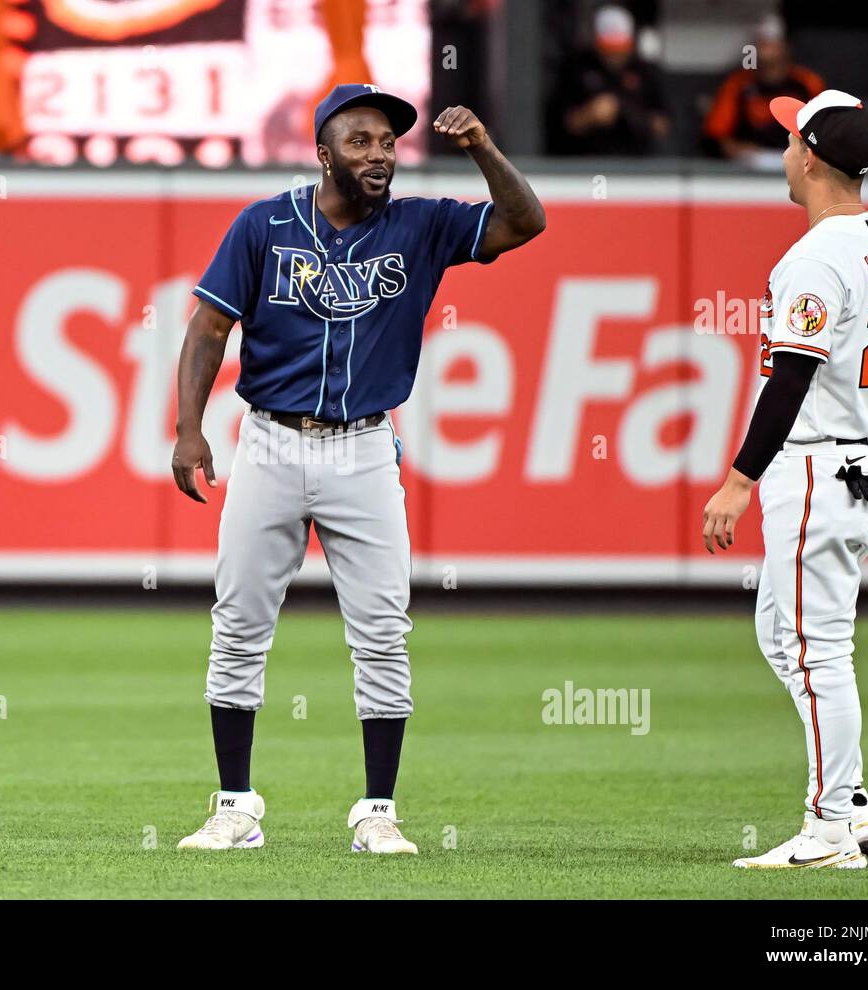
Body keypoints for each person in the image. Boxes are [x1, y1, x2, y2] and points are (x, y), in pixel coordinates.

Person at [170, 84, 545, 853]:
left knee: (382, 634)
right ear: (323, 152)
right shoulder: (266, 223)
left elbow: (524, 221)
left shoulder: (421, 223)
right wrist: (189, 430)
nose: (379, 155)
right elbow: (210, 325)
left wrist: (480, 147)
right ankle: (234, 805)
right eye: (361, 141)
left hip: (364, 447)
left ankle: (378, 812)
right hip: (270, 441)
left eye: (388, 142)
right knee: (238, 626)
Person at [702, 90, 868, 869]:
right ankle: (851, 799)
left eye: (792, 137)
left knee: (819, 650)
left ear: (813, 157)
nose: (786, 149)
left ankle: (830, 828)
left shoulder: (814, 258)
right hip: (864, 467)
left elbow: (790, 378)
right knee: (786, 635)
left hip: (822, 469)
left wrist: (738, 481)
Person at [704, 15, 824, 167]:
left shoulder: (808, 82)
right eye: (761, 45)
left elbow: (826, 131)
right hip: (750, 167)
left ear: (786, 47)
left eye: (772, 45)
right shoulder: (738, 84)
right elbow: (714, 136)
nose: (765, 53)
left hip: (801, 165)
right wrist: (732, 147)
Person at [550, 4, 669, 156]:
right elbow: (561, 124)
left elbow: (663, 125)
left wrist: (628, 112)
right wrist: (591, 113)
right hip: (586, 164)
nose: (614, 55)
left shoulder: (643, 71)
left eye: (620, 48)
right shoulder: (578, 68)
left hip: (637, 165)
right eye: (608, 48)